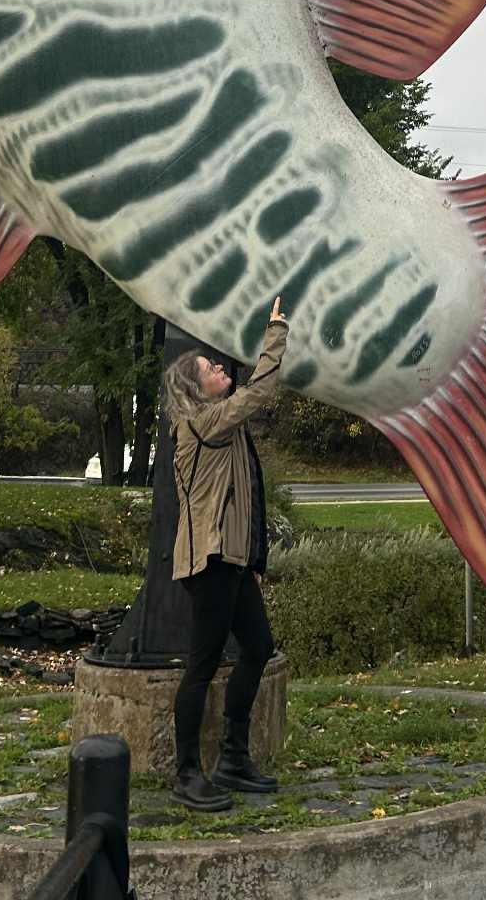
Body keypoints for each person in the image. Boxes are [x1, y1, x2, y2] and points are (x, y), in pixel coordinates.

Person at [164, 296, 289, 810]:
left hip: (232, 560)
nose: (220, 368)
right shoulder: (199, 426)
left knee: (258, 647)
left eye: (218, 363)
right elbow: (259, 392)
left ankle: (233, 758)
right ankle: (186, 770)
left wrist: (252, 560)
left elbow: (245, 497)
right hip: (208, 561)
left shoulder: (225, 430)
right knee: (202, 664)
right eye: (210, 369)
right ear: (197, 390)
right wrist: (276, 331)